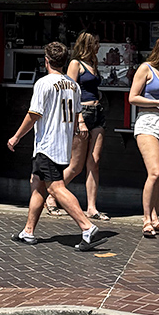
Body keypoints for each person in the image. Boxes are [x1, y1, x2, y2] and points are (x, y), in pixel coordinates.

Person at [7, 41, 104, 251]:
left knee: (55, 187)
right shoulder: (73, 85)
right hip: (62, 144)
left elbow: (34, 114)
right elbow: (77, 112)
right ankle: (29, 231)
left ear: (46, 61)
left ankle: (87, 227)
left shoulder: (44, 83)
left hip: (47, 144)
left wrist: (16, 137)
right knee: (37, 183)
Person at [45, 32, 110, 221]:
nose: (98, 46)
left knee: (94, 161)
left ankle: (91, 207)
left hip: (97, 112)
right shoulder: (76, 64)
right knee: (76, 165)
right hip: (83, 113)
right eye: (96, 43)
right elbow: (70, 92)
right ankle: (52, 195)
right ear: (88, 44)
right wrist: (78, 117)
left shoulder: (94, 64)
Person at [128, 34, 159, 238]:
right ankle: (146, 219)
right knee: (155, 172)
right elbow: (133, 97)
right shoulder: (145, 68)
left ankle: (156, 217)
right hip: (148, 121)